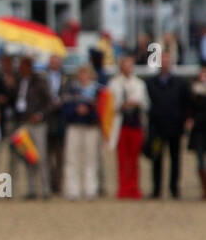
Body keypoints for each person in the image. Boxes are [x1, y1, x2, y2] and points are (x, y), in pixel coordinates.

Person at [144, 57, 192, 198]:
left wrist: (185, 120)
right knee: (156, 157)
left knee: (175, 158)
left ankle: (174, 189)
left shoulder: (180, 83)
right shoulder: (151, 83)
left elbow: (186, 103)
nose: (164, 64)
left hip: (174, 126)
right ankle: (156, 189)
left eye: (167, 61)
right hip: (157, 127)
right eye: (162, 62)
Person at [108, 55, 149, 198]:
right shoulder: (114, 83)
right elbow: (111, 104)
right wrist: (123, 105)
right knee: (122, 159)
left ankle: (134, 187)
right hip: (121, 124)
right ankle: (123, 188)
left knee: (134, 159)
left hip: (135, 125)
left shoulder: (139, 83)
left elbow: (145, 103)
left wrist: (134, 103)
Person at [13, 56, 54, 198]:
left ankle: (45, 189)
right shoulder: (19, 81)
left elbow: (49, 102)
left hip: (38, 124)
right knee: (28, 156)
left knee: (41, 156)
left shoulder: (39, 81)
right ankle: (31, 189)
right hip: (24, 123)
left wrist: (40, 115)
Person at [60, 64, 102, 199]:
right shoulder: (71, 90)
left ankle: (91, 189)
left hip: (91, 127)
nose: (83, 77)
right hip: (74, 126)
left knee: (91, 159)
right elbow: (65, 108)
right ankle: (73, 190)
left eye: (86, 74)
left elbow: (102, 110)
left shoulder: (98, 90)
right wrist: (76, 110)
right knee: (72, 159)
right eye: (81, 74)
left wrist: (89, 112)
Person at [44, 54, 65, 195]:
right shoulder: (42, 78)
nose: (54, 64)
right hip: (47, 120)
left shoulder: (66, 79)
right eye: (52, 62)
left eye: (57, 62)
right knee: (46, 156)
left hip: (61, 122)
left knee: (60, 156)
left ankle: (58, 184)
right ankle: (48, 183)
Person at [187, 65, 206, 198]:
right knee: (200, 161)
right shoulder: (194, 91)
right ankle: (204, 188)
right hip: (199, 130)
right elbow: (189, 110)